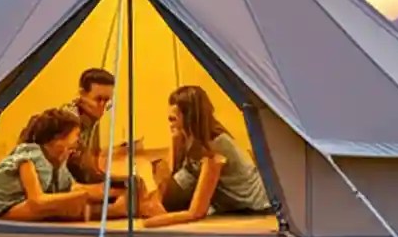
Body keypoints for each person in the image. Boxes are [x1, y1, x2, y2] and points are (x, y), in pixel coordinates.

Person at [143, 85, 272, 228]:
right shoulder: (189, 142)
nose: (170, 125)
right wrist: (175, 142)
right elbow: (170, 185)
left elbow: (196, 212)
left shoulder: (214, 146)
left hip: (255, 207)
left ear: (190, 119)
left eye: (173, 119)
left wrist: (150, 223)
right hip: (228, 206)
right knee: (161, 188)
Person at [0, 108, 106, 222]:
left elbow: (72, 187)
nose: (78, 141)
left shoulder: (57, 162)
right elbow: (36, 201)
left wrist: (105, 191)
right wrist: (79, 196)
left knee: (70, 204)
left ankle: (108, 209)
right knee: (59, 207)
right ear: (57, 138)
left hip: (20, 205)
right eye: (76, 135)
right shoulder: (29, 159)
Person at [61, 68, 117, 186]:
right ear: (82, 94)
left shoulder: (91, 119)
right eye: (98, 99)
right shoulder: (67, 122)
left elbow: (90, 167)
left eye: (107, 100)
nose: (103, 106)